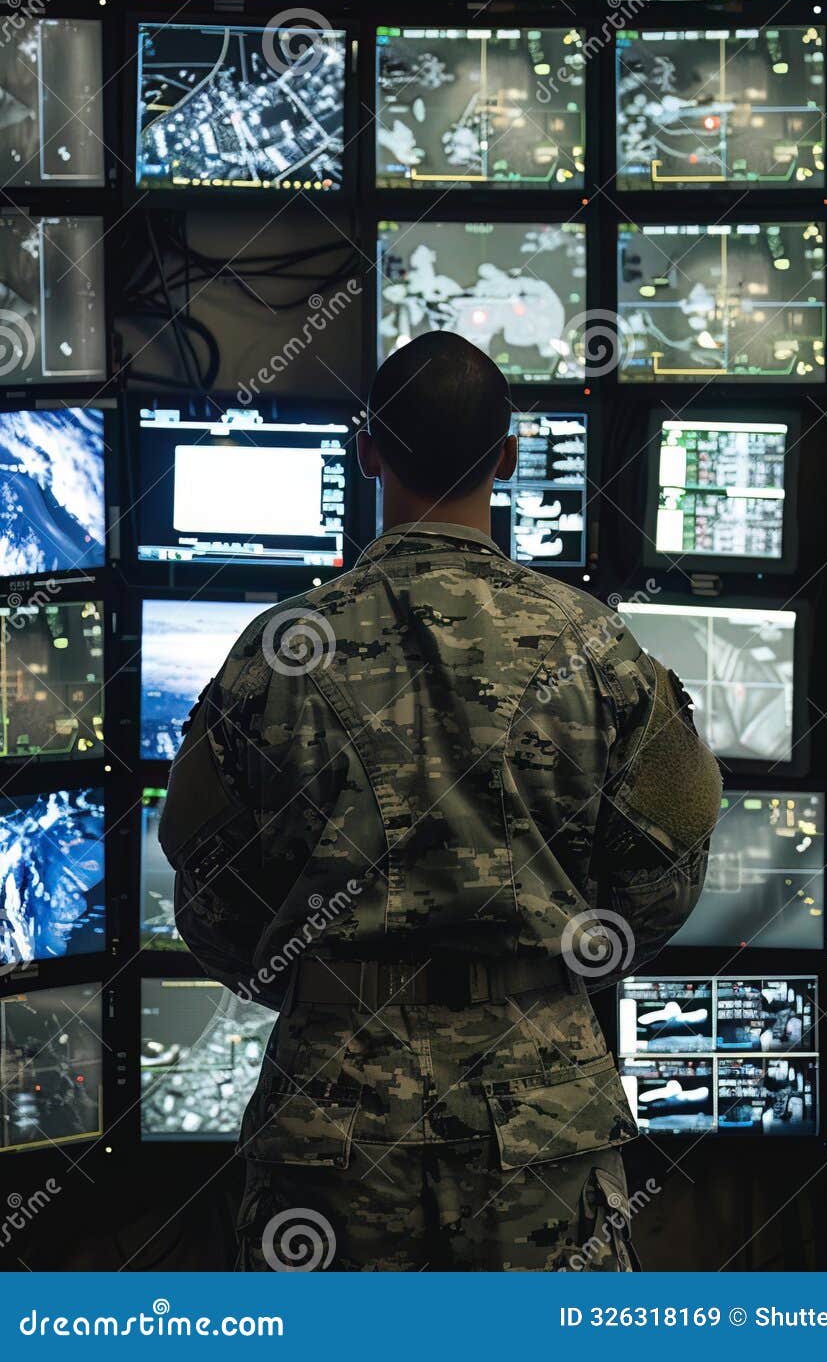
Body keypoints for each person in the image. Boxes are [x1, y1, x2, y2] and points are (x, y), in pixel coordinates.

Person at [160, 332, 721, 1272]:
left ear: (368, 453)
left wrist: (313, 982)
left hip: (332, 1121)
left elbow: (210, 900)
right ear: (507, 458)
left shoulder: (275, 652)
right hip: (542, 1119)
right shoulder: (599, 648)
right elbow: (662, 880)